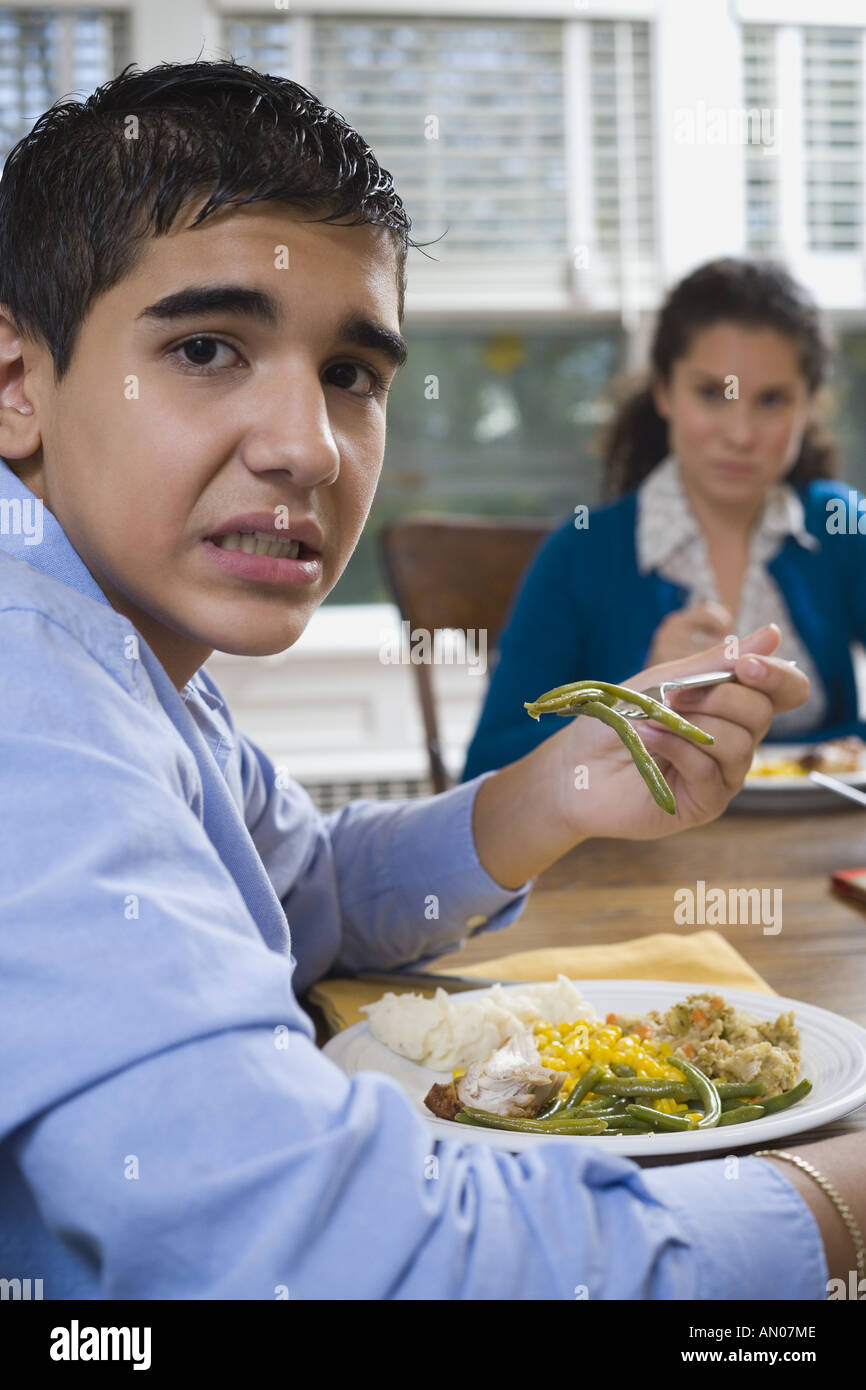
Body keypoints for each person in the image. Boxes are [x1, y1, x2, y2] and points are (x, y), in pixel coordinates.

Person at [0, 61, 861, 1301]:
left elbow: (307, 892)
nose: (305, 447)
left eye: (352, 374)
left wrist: (556, 789)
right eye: (204, 347)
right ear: (18, 385)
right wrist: (842, 1187)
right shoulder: (34, 703)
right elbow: (350, 1265)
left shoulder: (131, 655)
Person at [462, 258, 866, 782]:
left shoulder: (841, 525)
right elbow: (487, 770)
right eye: (710, 393)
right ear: (663, 392)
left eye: (771, 400)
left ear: (809, 406)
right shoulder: (580, 554)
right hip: (640, 860)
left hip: (816, 853)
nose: (740, 433)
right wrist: (635, 703)